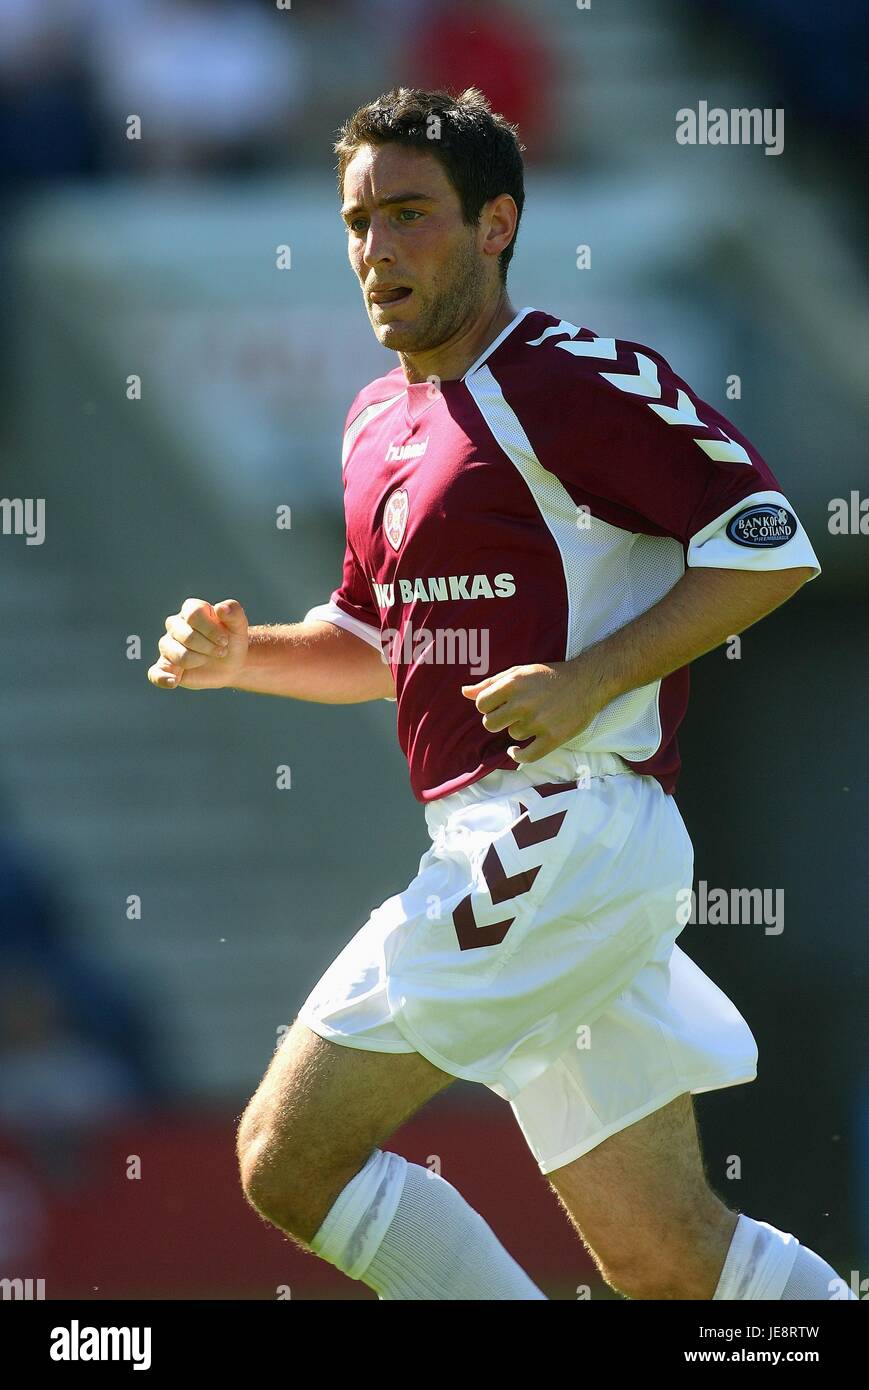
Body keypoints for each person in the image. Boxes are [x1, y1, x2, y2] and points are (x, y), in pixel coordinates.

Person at [148, 87, 852, 1301]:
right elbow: (374, 644)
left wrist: (588, 681)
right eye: (358, 222)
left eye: (411, 214)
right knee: (669, 1263)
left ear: (495, 224)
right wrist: (241, 653)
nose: (377, 250)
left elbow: (770, 542)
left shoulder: (570, 376)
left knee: (285, 1158)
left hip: (557, 823)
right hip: (532, 848)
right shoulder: (375, 420)